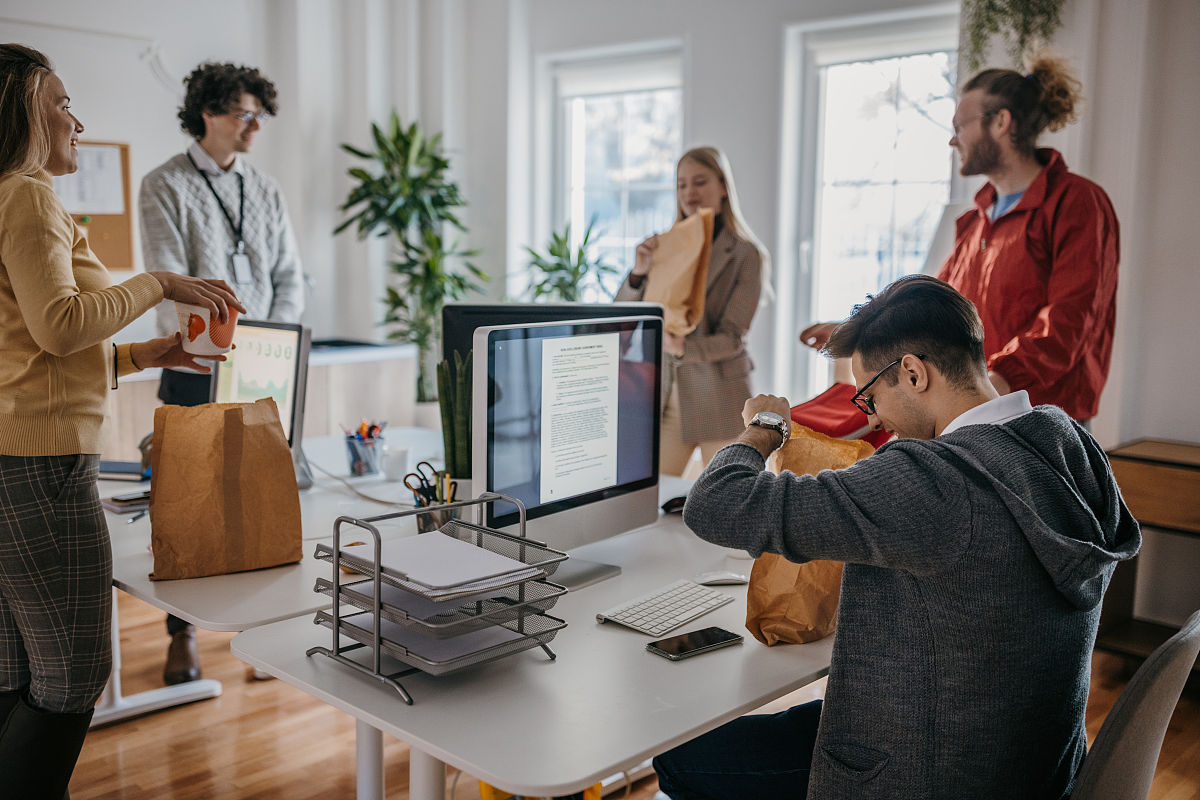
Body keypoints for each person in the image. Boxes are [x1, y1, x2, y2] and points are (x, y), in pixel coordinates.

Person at [654, 275, 1139, 799]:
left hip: (927, 775)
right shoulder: (1067, 442)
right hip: (1024, 759)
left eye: (868, 397)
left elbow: (716, 505)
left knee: (679, 756)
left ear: (912, 372)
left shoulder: (936, 480)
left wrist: (765, 425)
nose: (875, 417)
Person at [0, 43, 244, 796]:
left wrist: (153, 352)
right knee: (76, 672)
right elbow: (63, 327)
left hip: (14, 454)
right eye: (63, 101)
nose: (78, 117)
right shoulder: (28, 192)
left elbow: (36, 352)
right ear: (22, 109)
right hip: (39, 468)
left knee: (16, 670)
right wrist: (162, 282)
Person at [800, 54, 1119, 424]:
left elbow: (1068, 323)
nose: (953, 140)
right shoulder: (974, 221)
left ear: (1000, 122)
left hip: (1039, 416)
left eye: (960, 126)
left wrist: (995, 382)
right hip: (974, 409)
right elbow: (930, 309)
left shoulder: (1076, 203)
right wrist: (861, 331)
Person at [139, 61, 304, 685]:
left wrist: (271, 338)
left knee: (260, 488)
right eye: (245, 115)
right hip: (194, 363)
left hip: (263, 366)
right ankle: (180, 634)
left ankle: (259, 633)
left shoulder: (264, 188)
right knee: (186, 497)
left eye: (259, 117)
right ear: (208, 113)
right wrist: (221, 340)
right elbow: (166, 279)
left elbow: (289, 274)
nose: (254, 129)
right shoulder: (164, 184)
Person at [615, 146, 767, 476]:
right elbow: (621, 316)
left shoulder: (745, 254)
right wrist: (639, 271)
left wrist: (682, 346)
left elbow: (732, 338)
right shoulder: (663, 247)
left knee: (727, 501)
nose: (689, 193)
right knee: (651, 497)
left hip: (721, 398)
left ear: (723, 187)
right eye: (681, 185)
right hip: (667, 397)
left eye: (699, 182)